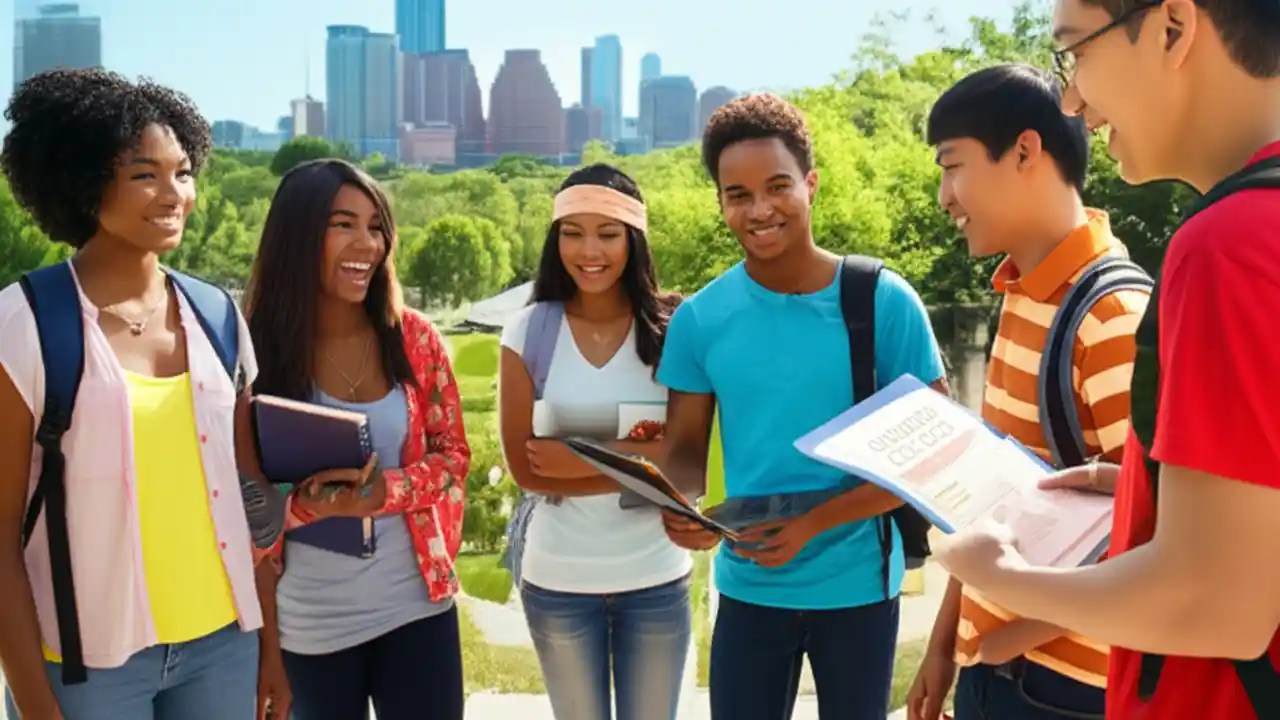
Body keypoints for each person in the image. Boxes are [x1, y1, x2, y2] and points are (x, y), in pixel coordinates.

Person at [933, 2, 1280, 719]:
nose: (1070, 99)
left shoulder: (1229, 245)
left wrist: (1002, 579)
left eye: (1075, 53)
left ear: (1173, 29)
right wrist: (1152, 487)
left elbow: (1219, 609)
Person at [656, 93, 949, 720]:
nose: (759, 209)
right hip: (747, 586)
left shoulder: (884, 301)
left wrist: (814, 523)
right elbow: (683, 452)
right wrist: (680, 509)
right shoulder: (700, 321)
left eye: (778, 186)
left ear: (811, 185)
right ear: (721, 203)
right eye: (738, 194)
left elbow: (934, 452)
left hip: (858, 589)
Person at [0, 69, 266, 719]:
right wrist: (33, 699)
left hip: (223, 648)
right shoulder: (24, 323)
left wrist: (272, 652)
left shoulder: (218, 315)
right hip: (87, 669)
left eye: (183, 172)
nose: (173, 192)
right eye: (144, 173)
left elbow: (251, 502)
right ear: (85, 181)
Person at [908, 64, 1150, 720]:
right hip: (998, 668)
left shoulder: (1113, 318)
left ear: (1024, 151)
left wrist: (1008, 637)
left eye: (952, 166)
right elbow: (993, 505)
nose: (943, 197)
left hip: (1067, 691)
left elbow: (1153, 534)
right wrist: (945, 646)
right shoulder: (1021, 296)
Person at [247, 159, 471, 720]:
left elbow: (453, 458)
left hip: (417, 609)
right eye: (343, 224)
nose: (366, 243)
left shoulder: (414, 338)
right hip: (310, 628)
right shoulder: (252, 356)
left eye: (376, 226)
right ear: (298, 236)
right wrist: (303, 508)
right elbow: (241, 506)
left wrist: (383, 493)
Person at [498, 163, 693, 720]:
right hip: (558, 581)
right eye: (572, 232)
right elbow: (529, 469)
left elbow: (685, 459)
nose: (590, 250)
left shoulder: (671, 330)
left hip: (656, 576)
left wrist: (576, 458)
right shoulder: (530, 330)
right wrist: (640, 461)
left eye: (608, 234)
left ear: (634, 240)